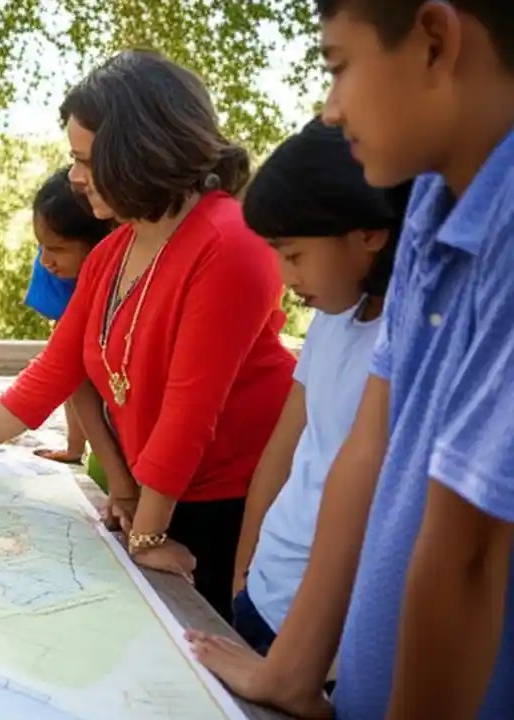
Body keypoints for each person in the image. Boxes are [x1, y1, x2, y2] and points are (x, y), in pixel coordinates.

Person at [0, 50, 296, 623]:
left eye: (84, 159)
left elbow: (189, 411)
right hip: (160, 501)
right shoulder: (115, 250)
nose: (73, 177)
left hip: (230, 508)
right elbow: (53, 373)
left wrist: (146, 537)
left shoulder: (230, 243)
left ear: (138, 153)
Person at [188, 2, 514, 718]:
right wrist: (291, 672)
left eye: (339, 66)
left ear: (435, 42)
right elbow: (363, 455)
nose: (332, 111)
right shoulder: (431, 200)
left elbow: (472, 555)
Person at [222, 118, 407, 655]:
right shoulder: (330, 318)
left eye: (295, 254)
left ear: (369, 233)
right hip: (260, 593)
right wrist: (242, 570)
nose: (285, 275)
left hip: (326, 636)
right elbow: (286, 447)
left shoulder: (410, 339)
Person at [23, 166, 115, 466]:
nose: (45, 261)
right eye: (41, 247)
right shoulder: (64, 282)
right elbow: (69, 381)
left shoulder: (119, 289)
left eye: (57, 249)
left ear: (96, 247)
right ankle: (77, 446)